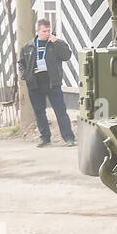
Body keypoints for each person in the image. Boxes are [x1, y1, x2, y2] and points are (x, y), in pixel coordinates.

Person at [19, 18, 76, 147]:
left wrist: (57, 43)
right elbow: (21, 63)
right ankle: (45, 138)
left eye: (48, 31)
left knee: (60, 112)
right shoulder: (28, 46)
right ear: (37, 31)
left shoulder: (55, 43)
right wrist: (25, 75)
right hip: (34, 84)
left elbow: (66, 56)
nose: (47, 33)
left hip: (52, 83)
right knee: (39, 113)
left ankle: (69, 138)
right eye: (44, 31)